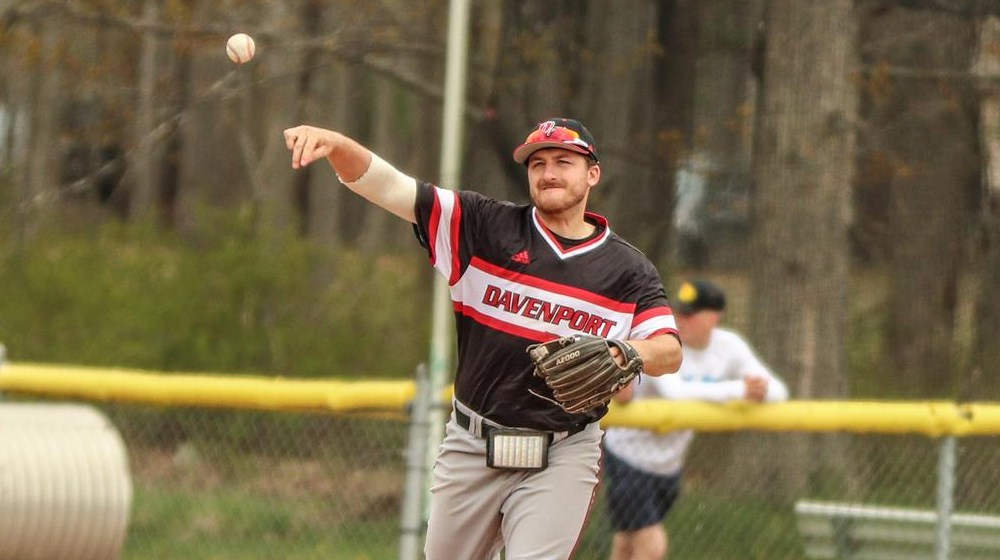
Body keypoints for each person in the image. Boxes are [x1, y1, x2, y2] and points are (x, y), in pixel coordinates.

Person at [283, 118, 683, 559]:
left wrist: (623, 350)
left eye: (563, 162)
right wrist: (337, 143)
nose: (548, 172)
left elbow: (668, 349)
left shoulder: (627, 270)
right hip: (473, 443)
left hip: (563, 452)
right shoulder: (484, 226)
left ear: (592, 174)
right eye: (538, 163)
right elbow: (389, 187)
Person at [602, 279, 789, 560]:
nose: (681, 320)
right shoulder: (667, 344)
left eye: (690, 314)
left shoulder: (729, 345)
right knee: (651, 545)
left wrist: (756, 390)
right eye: (679, 312)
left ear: (714, 317)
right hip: (628, 455)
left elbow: (777, 391)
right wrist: (740, 390)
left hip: (668, 464)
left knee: (629, 541)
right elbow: (676, 392)